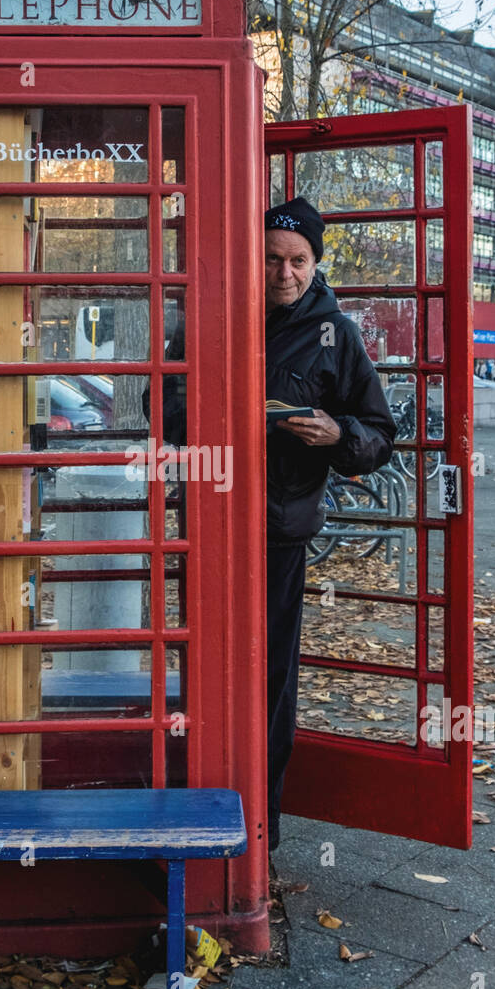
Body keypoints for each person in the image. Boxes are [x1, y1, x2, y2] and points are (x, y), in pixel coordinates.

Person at [150, 197, 395, 852]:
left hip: (278, 533)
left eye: (297, 261)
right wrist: (206, 421)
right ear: (249, 260)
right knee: (200, 673)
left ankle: (261, 827)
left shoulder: (334, 334)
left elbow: (378, 433)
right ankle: (191, 809)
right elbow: (161, 407)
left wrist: (335, 432)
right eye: (270, 258)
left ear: (315, 266)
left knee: (268, 685)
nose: (284, 273)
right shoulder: (205, 319)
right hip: (206, 524)